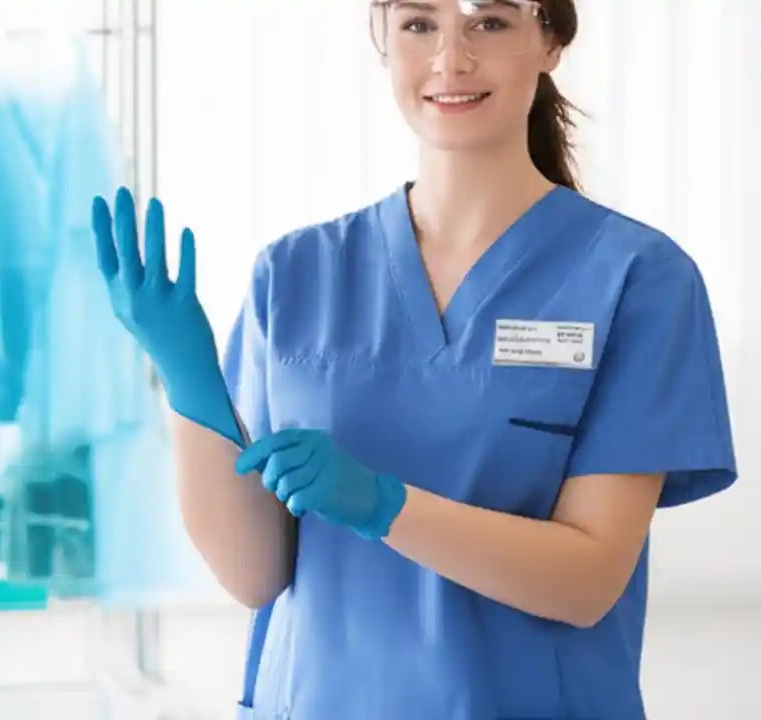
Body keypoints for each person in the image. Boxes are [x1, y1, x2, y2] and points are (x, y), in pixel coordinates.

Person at [90, 0, 738, 718]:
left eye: (490, 23)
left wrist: (383, 503)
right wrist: (188, 378)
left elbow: (587, 581)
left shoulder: (636, 278)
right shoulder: (296, 273)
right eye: (418, 24)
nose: (450, 61)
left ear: (551, 40)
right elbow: (254, 574)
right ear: (383, 40)